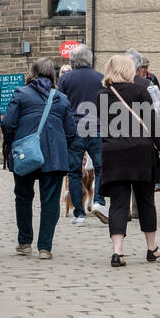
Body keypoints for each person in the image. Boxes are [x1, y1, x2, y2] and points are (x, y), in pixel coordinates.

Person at [2, 57, 76, 259]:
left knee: (23, 197)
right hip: (54, 156)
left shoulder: (21, 93)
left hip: (26, 152)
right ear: (53, 74)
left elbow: (8, 123)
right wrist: (61, 146)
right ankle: (45, 247)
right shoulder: (61, 98)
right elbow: (71, 132)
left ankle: (25, 242)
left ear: (32, 73)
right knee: (50, 200)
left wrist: (12, 144)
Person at [99, 54, 160, 266]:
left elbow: (104, 127)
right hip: (141, 152)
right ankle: (151, 248)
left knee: (118, 204)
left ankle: (117, 252)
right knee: (146, 200)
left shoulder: (103, 94)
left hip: (114, 152)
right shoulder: (140, 91)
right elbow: (152, 123)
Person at [57, 44, 107, 226]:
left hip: (75, 128)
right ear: (90, 59)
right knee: (101, 167)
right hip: (96, 127)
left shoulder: (65, 79)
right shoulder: (101, 78)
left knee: (74, 172)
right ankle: (99, 201)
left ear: (73, 61)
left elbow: (60, 104)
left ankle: (79, 214)